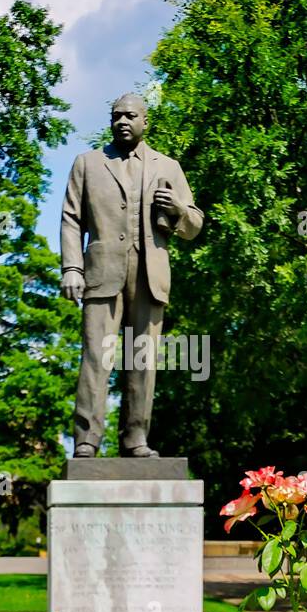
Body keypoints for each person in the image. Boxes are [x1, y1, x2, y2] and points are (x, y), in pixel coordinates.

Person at [60, 92, 204, 457]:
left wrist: (178, 210)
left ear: (145, 122)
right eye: (116, 116)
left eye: (130, 116)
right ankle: (87, 440)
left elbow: (194, 226)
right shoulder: (88, 163)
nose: (122, 122)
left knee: (142, 359)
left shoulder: (167, 166)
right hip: (101, 274)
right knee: (96, 356)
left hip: (149, 276)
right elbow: (71, 219)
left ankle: (135, 438)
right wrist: (72, 267)